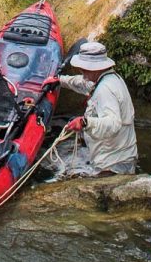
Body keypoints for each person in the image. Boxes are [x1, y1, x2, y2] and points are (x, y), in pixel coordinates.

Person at [58, 41, 138, 175]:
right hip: (122, 156)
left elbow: (113, 123)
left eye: (84, 68)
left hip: (113, 164)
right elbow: (83, 83)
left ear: (95, 68)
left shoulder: (104, 90)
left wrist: (85, 122)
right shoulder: (110, 78)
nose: (81, 71)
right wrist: (59, 80)